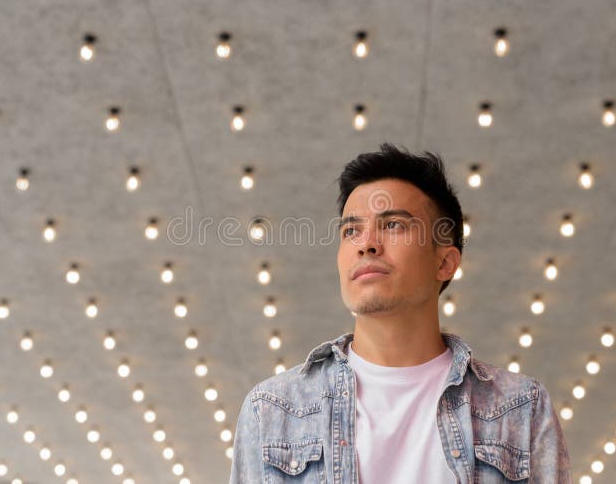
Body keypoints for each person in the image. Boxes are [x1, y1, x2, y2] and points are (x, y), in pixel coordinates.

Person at [229, 143, 572, 483]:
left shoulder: (522, 408)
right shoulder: (273, 410)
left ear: (444, 262)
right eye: (351, 231)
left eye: (392, 225)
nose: (366, 244)